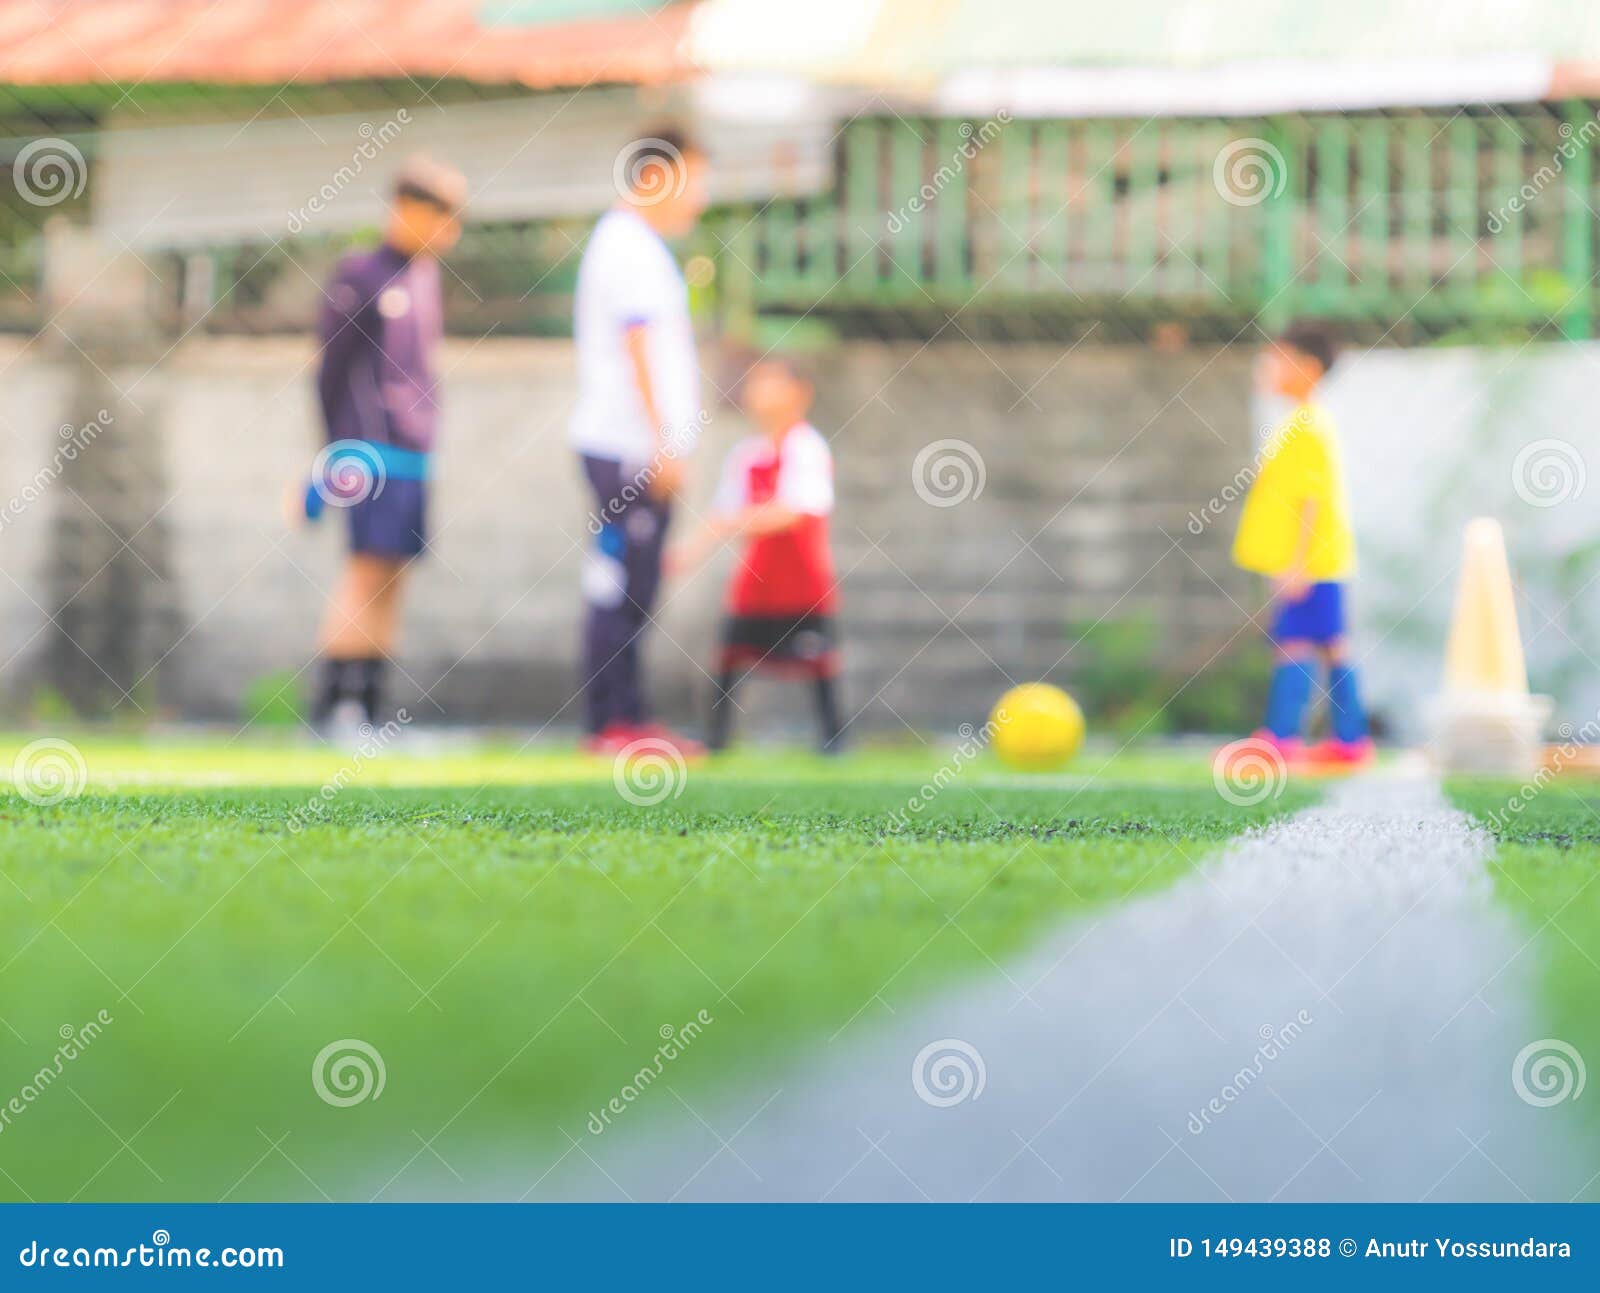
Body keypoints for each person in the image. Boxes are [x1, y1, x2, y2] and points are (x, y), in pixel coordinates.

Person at [298, 154, 466, 731]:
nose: (452, 230)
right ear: (409, 210)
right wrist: (329, 456)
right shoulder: (360, 273)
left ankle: (370, 708)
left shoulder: (425, 278)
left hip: (416, 456)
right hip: (368, 454)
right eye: (443, 214)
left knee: (394, 575)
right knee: (364, 572)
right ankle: (333, 707)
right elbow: (329, 371)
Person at [571, 127, 709, 756]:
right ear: (657, 176)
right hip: (629, 447)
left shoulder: (634, 245)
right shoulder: (627, 246)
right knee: (623, 585)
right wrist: (664, 444)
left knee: (631, 585)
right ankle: (615, 725)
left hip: (630, 445)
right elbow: (636, 349)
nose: (698, 201)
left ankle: (624, 720)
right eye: (695, 183)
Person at [670, 356, 844, 753]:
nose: (759, 392)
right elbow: (722, 513)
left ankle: (834, 739)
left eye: (771, 383)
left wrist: (736, 523)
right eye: (756, 384)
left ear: (799, 394)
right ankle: (716, 739)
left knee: (820, 662)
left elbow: (794, 513)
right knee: (729, 659)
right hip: (757, 583)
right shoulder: (745, 455)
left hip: (802, 582)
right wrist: (691, 550)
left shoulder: (808, 448)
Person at [1230, 319, 1371, 765]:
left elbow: (1310, 501)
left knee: (1294, 643)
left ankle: (1281, 736)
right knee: (1330, 643)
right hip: (1320, 561)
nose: (1266, 369)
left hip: (1311, 562)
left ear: (1307, 368)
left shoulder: (1305, 427)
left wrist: (1295, 564)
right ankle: (1349, 740)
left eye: (1277, 360)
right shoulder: (1301, 423)